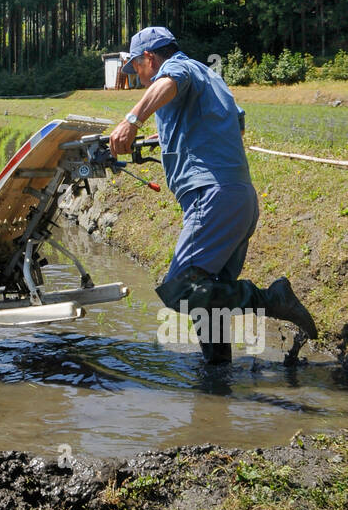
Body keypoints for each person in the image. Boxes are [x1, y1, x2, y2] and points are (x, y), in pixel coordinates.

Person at [107, 26, 318, 364]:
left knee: (180, 290)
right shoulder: (212, 78)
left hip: (213, 197)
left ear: (150, 57)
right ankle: (217, 375)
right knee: (209, 296)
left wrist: (132, 121)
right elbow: (233, 125)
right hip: (240, 198)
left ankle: (272, 298)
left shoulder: (179, 69)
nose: (139, 77)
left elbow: (167, 81)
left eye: (138, 68)